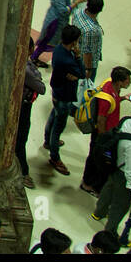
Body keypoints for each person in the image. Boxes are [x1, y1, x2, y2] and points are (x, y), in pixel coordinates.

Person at [93, 105, 131, 237]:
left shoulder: (127, 121)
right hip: (123, 174)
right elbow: (130, 171)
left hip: (114, 166)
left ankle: (98, 213)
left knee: (108, 190)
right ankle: (110, 232)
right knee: (120, 205)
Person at [80, 66, 131, 195]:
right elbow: (101, 120)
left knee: (98, 159)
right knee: (96, 159)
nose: (129, 83)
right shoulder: (106, 99)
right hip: (102, 135)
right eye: (127, 80)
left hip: (108, 133)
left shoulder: (111, 84)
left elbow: (114, 101)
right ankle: (88, 184)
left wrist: (123, 98)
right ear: (119, 81)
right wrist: (102, 141)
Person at [44, 23, 85, 175]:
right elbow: (81, 73)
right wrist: (79, 57)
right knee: (58, 127)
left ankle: (48, 141)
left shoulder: (59, 50)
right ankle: (54, 156)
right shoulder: (68, 59)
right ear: (74, 42)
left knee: (53, 115)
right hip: (64, 95)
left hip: (57, 91)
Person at [30, 0, 87, 67]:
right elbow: (63, 11)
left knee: (52, 40)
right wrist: (77, 2)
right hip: (55, 22)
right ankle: (34, 57)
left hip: (60, 20)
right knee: (47, 40)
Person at [16, 47, 46, 188]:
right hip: (22, 107)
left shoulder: (27, 66)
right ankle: (23, 172)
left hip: (24, 106)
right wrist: (37, 78)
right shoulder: (26, 69)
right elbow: (41, 87)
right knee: (20, 140)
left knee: (21, 138)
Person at [73, 0, 105, 81]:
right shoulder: (92, 31)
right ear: (100, 9)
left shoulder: (78, 12)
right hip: (86, 63)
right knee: (86, 86)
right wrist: (88, 71)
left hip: (76, 50)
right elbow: (87, 52)